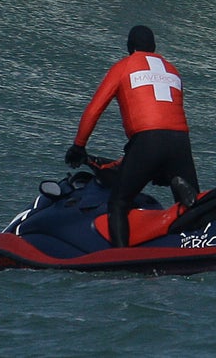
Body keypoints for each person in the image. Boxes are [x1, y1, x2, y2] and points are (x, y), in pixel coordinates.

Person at [64, 24, 201, 246]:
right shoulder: (172, 70)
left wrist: (79, 146)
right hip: (180, 140)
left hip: (148, 139)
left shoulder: (123, 67)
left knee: (118, 202)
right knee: (191, 206)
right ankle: (194, 243)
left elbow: (94, 109)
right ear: (154, 47)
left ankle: (121, 257)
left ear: (130, 47)